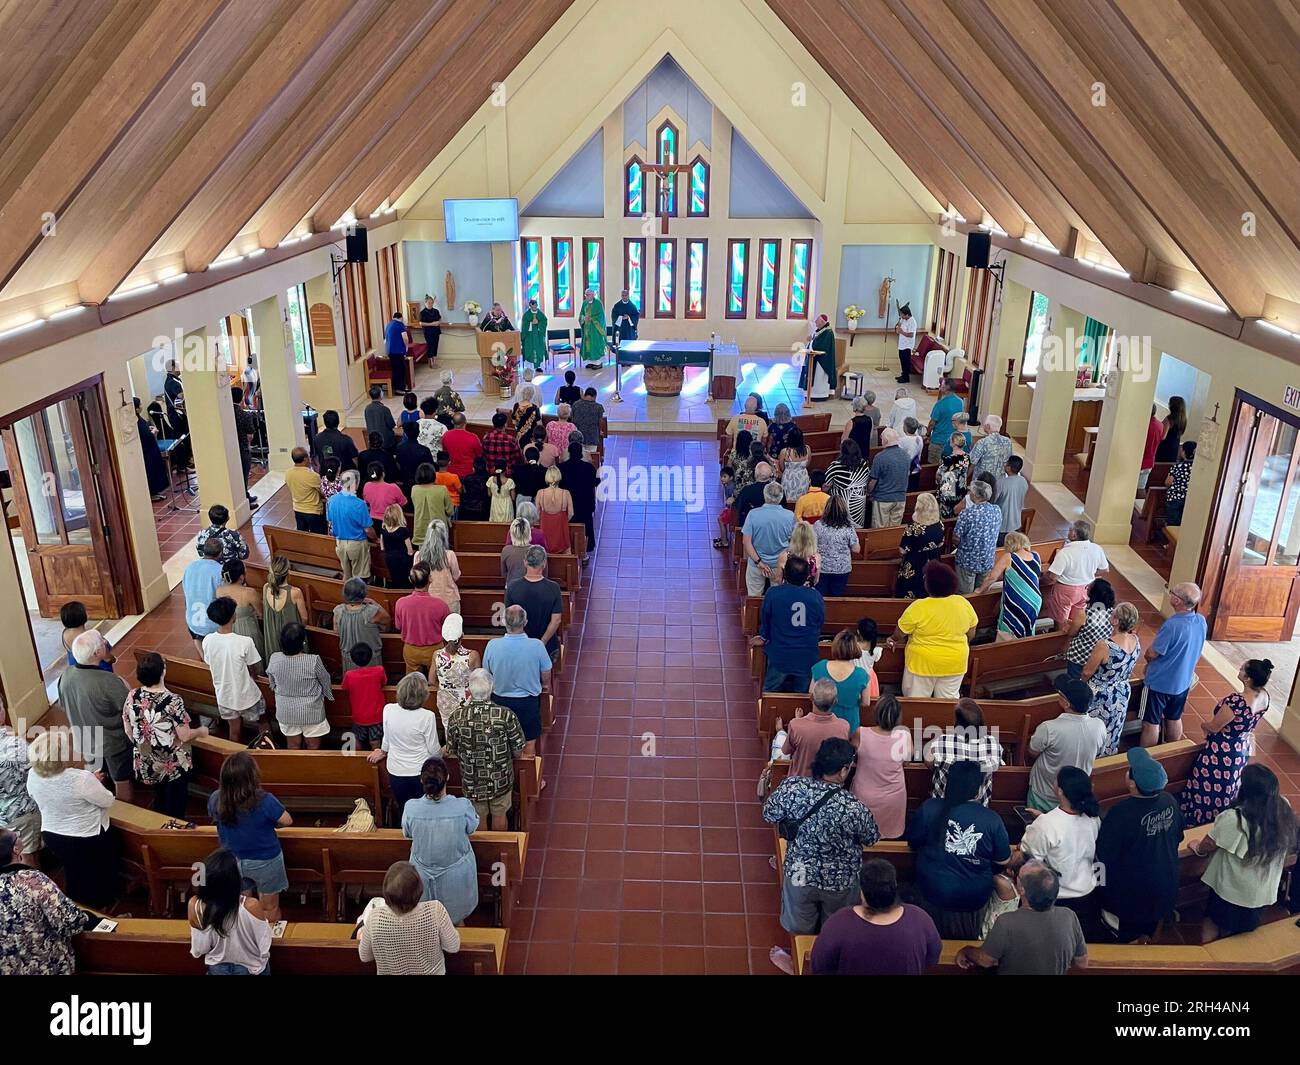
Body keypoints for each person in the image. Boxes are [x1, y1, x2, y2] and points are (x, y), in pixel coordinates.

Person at [762, 738, 879, 944]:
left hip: (800, 871)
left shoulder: (793, 788)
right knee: (835, 927)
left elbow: (769, 813)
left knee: (800, 922)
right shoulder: (853, 807)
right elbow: (870, 838)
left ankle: (801, 957)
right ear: (843, 770)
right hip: (840, 878)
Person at [1190, 764, 1296, 939]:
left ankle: (1210, 960)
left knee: (1213, 920)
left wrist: (1197, 848)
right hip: (1261, 890)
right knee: (1239, 933)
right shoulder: (1283, 809)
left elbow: (1209, 844)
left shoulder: (1235, 819)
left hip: (1232, 890)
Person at [907, 759, 1011, 937]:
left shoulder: (929, 807)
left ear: (948, 783)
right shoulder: (991, 819)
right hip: (972, 896)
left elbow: (913, 842)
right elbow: (1003, 860)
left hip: (931, 888)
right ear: (978, 790)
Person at [1095, 747, 1184, 942]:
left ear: (1132, 783)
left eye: (1130, 770)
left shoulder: (1121, 814)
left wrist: (1100, 885)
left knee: (1127, 936)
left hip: (1131, 894)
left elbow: (1104, 855)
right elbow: (1178, 836)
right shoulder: (1169, 801)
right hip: (1166, 882)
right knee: (1152, 926)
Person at [25, 729, 119, 907]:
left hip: (53, 834)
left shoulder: (33, 775)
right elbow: (107, 800)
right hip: (87, 835)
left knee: (74, 870)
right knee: (98, 872)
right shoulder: (81, 779)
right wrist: (93, 782)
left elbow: (37, 794)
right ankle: (102, 905)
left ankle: (76, 902)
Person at [1181, 659, 1274, 826]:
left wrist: (1204, 725)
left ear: (1248, 679)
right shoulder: (1265, 696)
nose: (1239, 668)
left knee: (1207, 782)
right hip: (1242, 746)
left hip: (1223, 750)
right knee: (1229, 784)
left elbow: (1215, 727)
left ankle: (1200, 816)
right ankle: (1222, 816)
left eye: (1243, 668)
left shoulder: (1236, 702)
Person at [810, 858, 941, 976]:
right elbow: (932, 959)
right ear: (895, 886)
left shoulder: (839, 922)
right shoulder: (920, 919)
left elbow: (819, 966)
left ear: (862, 891)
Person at [955, 861, 1088, 974]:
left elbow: (985, 960)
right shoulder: (1069, 917)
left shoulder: (1007, 922)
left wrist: (967, 950)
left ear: (1022, 890)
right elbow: (1082, 962)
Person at [208, 752, 290, 923]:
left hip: (233, 861)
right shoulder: (264, 800)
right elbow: (287, 820)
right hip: (266, 860)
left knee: (242, 906)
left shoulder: (216, 798)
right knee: (270, 908)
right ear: (252, 776)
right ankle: (267, 942)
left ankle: (247, 939)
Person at [124, 652, 207, 817]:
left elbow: (127, 727)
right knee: (176, 800)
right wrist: (201, 731)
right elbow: (184, 736)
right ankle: (173, 829)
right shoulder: (173, 700)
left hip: (147, 757)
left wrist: (142, 744)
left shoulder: (133, 694)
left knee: (159, 793)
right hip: (172, 762)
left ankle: (160, 818)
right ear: (163, 672)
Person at [444, 668, 527, 831]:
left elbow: (451, 748)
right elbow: (518, 749)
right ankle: (499, 847)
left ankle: (485, 849)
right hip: (500, 777)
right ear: (491, 688)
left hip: (472, 778)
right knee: (500, 813)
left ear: (469, 690)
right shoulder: (505, 715)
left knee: (478, 815)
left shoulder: (457, 716)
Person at [0, 827, 88, 974]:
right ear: (16, 849)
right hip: (46, 965)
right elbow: (71, 922)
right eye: (17, 836)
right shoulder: (32, 881)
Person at [401, 757, 479, 923]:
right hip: (456, 875)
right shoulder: (462, 806)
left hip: (422, 874)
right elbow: (472, 827)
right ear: (448, 777)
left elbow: (407, 833)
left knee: (426, 921)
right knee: (457, 920)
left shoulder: (411, 807)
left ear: (422, 779)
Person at [1021, 766, 1101, 925]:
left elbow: (1029, 855)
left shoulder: (1047, 824)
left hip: (1059, 896)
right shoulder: (1093, 818)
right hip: (1087, 893)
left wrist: (1037, 825)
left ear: (1060, 791)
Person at [58, 632, 133, 802]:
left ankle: (100, 803)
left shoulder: (66, 676)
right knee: (121, 780)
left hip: (84, 739)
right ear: (96, 653)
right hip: (112, 743)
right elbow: (129, 710)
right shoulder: (108, 681)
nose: (105, 644)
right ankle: (127, 817)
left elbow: (64, 705)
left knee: (96, 776)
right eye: (102, 643)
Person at [888, 562, 978, 699]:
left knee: (916, 702)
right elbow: (971, 633)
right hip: (955, 662)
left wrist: (893, 639)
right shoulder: (963, 603)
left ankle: (916, 721)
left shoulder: (918, 607)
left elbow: (900, 632)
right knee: (948, 703)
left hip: (922, 663)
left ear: (928, 584)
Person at [357, 860, 462, 975]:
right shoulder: (435, 910)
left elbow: (364, 956)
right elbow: (453, 946)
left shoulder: (375, 918)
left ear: (386, 892)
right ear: (420, 889)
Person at [1026, 676, 1108, 812]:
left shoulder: (1049, 728)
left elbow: (1032, 751)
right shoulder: (1099, 726)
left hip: (1045, 792)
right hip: (1076, 794)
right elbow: (1099, 753)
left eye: (1060, 695)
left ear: (1066, 703)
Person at [188, 847, 273, 975]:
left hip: (217, 968)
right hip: (251, 969)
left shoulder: (195, 905)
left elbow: (199, 948)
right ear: (235, 880)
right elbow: (264, 945)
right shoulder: (251, 905)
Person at [1142, 581, 1206, 747]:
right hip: (1183, 682)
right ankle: (1173, 749)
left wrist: (1148, 661)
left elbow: (1152, 653)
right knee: (1174, 717)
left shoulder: (1172, 625)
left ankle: (1147, 756)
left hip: (1160, 683)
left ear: (1177, 601)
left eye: (1172, 592)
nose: (1170, 594)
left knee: (1151, 722)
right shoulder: (1200, 621)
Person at [483, 606, 551, 762]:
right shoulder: (537, 646)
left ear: (504, 621)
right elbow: (546, 672)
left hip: (500, 702)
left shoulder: (492, 645)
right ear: (525, 622)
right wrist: (545, 686)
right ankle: (530, 781)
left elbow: (486, 674)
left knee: (503, 742)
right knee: (529, 745)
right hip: (528, 702)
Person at [369, 673, 442, 818]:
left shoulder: (388, 709)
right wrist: (443, 752)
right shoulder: (427, 716)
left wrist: (383, 751)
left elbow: (387, 739)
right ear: (423, 695)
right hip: (420, 772)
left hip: (396, 771)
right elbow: (434, 751)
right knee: (424, 810)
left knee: (405, 809)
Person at [750, 557, 825, 692]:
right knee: (802, 695)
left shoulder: (773, 593)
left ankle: (768, 710)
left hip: (780, 653)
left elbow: (765, 621)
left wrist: (763, 637)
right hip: (806, 654)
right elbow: (819, 622)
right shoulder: (816, 597)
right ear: (806, 576)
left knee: (770, 691)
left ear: (785, 574)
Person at [1081, 601, 1141, 756]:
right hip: (1121, 692)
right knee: (1112, 728)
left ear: (1115, 621)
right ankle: (1106, 758)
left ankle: (1089, 757)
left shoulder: (1105, 645)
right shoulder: (1135, 640)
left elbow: (1087, 672)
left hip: (1101, 694)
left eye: (1113, 613)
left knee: (1093, 729)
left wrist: (1080, 685)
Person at [202, 597, 265, 743]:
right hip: (248, 696)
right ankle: (268, 747)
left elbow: (209, 662)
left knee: (234, 732)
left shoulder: (208, 641)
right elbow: (253, 669)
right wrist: (254, 677)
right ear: (233, 617)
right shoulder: (245, 642)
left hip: (225, 696)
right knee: (263, 721)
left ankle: (235, 757)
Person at [851, 693, 912, 839]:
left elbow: (852, 753)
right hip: (893, 799)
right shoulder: (905, 736)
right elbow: (907, 761)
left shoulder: (861, 733)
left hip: (864, 796)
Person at [924, 698, 1004, 806]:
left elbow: (928, 762)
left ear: (957, 722)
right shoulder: (993, 744)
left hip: (943, 807)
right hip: (977, 808)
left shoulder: (942, 741)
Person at [265, 623, 332, 750]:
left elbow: (272, 684)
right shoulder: (313, 660)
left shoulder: (274, 658)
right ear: (303, 642)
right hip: (311, 711)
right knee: (313, 747)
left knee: (293, 746)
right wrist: (328, 696)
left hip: (286, 711)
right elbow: (325, 680)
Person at [1042, 519, 1109, 629]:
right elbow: (1105, 569)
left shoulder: (1065, 552)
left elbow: (1053, 576)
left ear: (1074, 534)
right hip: (1087, 588)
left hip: (1066, 590)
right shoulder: (1097, 548)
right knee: (1076, 620)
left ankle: (1058, 641)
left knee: (1061, 620)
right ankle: (1071, 641)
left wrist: (1043, 580)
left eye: (1070, 530)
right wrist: (1090, 573)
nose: (1068, 532)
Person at [778, 679, 850, 778]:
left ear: (811, 697)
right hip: (828, 785)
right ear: (835, 701)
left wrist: (797, 723)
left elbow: (786, 751)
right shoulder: (844, 727)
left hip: (800, 782)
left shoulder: (796, 725)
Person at [978, 531, 1042, 640]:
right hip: (1035, 600)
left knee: (1008, 630)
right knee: (1027, 628)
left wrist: (979, 590)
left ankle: (1005, 651)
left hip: (1017, 600)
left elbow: (992, 577)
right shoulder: (1036, 555)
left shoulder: (1009, 557)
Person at [505, 546, 563, 659]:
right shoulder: (554, 588)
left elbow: (509, 618)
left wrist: (525, 643)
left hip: (520, 645)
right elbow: (556, 620)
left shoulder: (512, 587)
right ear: (544, 563)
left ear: (525, 562)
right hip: (547, 647)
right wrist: (542, 642)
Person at [0, 704, 40, 867]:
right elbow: (38, 769)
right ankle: (36, 888)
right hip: (23, 811)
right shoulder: (14, 745)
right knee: (27, 856)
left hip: (3, 815)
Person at [395, 563, 451, 675]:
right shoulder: (441, 605)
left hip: (411, 649)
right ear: (430, 579)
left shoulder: (401, 603)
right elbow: (446, 629)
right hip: (434, 649)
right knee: (436, 680)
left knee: (413, 682)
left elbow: (398, 626)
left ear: (411, 580)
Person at [810, 631, 871, 734]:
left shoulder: (820, 667)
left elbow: (811, 694)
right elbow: (866, 702)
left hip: (823, 720)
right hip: (849, 723)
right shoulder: (861, 674)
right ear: (854, 648)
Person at [952, 479, 1000, 592]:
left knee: (965, 594)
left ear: (975, 495)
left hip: (967, 561)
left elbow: (956, 538)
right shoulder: (997, 510)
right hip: (987, 559)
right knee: (981, 592)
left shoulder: (967, 514)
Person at [332, 576, 388, 674]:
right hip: (371, 662)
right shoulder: (372, 611)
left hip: (349, 662)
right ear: (364, 593)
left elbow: (336, 631)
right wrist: (376, 603)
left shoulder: (338, 611)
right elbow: (387, 623)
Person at [328, 469, 376, 582]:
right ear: (357, 483)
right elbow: (368, 529)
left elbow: (330, 521)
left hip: (340, 543)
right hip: (356, 544)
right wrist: (376, 539)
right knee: (360, 578)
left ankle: (347, 597)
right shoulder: (359, 504)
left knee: (347, 576)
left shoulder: (332, 500)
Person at [895, 492, 944, 598]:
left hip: (915, 563)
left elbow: (903, 550)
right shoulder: (940, 525)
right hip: (933, 562)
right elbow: (941, 543)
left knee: (911, 588)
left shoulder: (913, 527)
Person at [1064, 578, 1115, 678]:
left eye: (1088, 588)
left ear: (1093, 594)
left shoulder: (1084, 614)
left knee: (1074, 683)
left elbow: (1072, 633)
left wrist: (1071, 625)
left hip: (1080, 656)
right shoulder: (1112, 613)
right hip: (1099, 657)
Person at [342, 642, 386, 751]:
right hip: (376, 715)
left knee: (356, 738)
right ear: (371, 656)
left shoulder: (349, 675)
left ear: (352, 658)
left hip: (359, 715)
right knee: (375, 741)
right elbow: (384, 682)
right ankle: (376, 762)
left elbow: (344, 687)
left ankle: (359, 762)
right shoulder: (379, 670)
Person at [183, 539, 226, 655]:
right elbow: (223, 597)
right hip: (212, 624)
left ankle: (204, 659)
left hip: (192, 621)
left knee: (198, 638)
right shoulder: (220, 570)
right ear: (220, 553)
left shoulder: (190, 567)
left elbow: (186, 592)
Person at [813, 496, 860, 596]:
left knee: (820, 597)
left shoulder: (818, 525)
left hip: (822, 568)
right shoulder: (848, 527)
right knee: (836, 598)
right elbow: (856, 549)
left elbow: (812, 545)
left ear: (827, 509)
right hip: (842, 569)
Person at [559, 440, 598, 560]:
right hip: (584, 504)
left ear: (569, 453)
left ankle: (568, 547)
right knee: (585, 526)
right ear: (581, 453)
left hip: (567, 505)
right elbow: (594, 483)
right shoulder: (589, 468)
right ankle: (585, 551)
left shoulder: (561, 468)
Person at [434, 614, 479, 718]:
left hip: (445, 702)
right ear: (462, 636)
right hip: (466, 701)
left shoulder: (436, 655)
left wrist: (445, 689)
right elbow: (478, 682)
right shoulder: (473, 655)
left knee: (448, 729)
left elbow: (431, 680)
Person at [823, 439, 870, 528]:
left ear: (842, 452)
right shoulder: (864, 464)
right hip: (859, 506)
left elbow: (826, 486)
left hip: (840, 506)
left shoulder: (835, 466)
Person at [868, 428, 910, 527]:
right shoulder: (906, 455)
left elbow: (873, 480)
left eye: (881, 438)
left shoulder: (880, 457)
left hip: (883, 499)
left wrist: (869, 492)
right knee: (893, 531)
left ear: (885, 440)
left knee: (879, 531)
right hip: (900, 498)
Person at [133, 396, 170, 499]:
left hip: (152, 448)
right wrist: (153, 432)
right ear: (136, 408)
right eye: (140, 405)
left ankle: (158, 490)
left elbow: (144, 427)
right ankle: (153, 493)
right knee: (151, 471)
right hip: (147, 451)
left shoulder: (139, 418)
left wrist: (149, 428)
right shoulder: (134, 421)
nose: (141, 406)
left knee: (157, 467)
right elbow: (145, 436)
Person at [229, 385, 259, 510]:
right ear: (241, 398)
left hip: (229, 448)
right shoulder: (244, 415)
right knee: (243, 474)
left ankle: (244, 495)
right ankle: (244, 500)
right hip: (242, 448)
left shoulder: (226, 414)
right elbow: (250, 435)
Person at [285, 447, 327, 533]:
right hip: (313, 511)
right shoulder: (311, 475)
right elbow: (323, 492)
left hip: (298, 510)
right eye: (308, 456)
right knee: (319, 537)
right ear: (305, 459)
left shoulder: (288, 473)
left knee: (303, 538)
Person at [411, 463, 453, 549]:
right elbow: (450, 510)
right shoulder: (442, 489)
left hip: (421, 530)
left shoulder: (414, 489)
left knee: (423, 559)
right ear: (433, 475)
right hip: (438, 529)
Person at [925, 378, 964, 465]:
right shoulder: (960, 402)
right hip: (952, 441)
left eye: (941, 386)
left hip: (938, 441)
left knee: (933, 466)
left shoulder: (940, 404)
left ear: (946, 389)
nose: (939, 387)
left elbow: (932, 423)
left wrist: (927, 434)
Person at [992, 455, 1028, 544]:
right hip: (1016, 523)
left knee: (999, 550)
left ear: (1009, 468)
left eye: (1006, 464)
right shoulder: (1023, 481)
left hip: (1002, 525)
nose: (1004, 465)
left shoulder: (1001, 482)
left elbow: (993, 501)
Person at [775, 519, 820, 588]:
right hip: (807, 593)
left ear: (794, 537)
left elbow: (778, 579)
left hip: (787, 591)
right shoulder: (816, 557)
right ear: (812, 538)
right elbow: (816, 581)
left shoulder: (784, 556)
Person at [395, 421, 435, 498]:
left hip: (405, 482)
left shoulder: (400, 448)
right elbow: (430, 467)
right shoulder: (424, 450)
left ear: (405, 434)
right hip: (421, 484)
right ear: (418, 433)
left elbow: (398, 464)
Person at [935, 433, 970, 518]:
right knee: (956, 516)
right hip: (960, 490)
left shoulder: (948, 460)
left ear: (953, 443)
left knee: (945, 516)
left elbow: (938, 476)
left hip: (948, 492)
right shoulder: (967, 457)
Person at [380, 504, 414, 589]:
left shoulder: (383, 529)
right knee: (404, 582)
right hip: (403, 560)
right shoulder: (403, 531)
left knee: (395, 580)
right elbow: (410, 551)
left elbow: (382, 547)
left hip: (389, 559)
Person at [969, 414, 1012, 480]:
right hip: (999, 481)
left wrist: (966, 477)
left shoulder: (983, 442)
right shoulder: (1008, 441)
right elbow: (1008, 460)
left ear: (988, 426)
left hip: (982, 482)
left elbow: (972, 462)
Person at [804, 314, 837, 400]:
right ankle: (811, 394)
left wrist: (812, 343)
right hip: (815, 359)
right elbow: (815, 340)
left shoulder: (828, 332)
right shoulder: (820, 330)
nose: (815, 322)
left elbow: (822, 345)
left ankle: (819, 395)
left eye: (817, 321)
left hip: (821, 361)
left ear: (822, 322)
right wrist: (811, 339)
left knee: (819, 379)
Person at [1163, 440, 1195, 527]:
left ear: (1183, 452)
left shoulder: (1178, 466)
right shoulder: (1196, 469)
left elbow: (1168, 482)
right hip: (1189, 499)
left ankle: (1171, 532)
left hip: (1175, 498)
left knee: (1173, 522)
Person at [734, 459, 773, 531]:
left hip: (749, 527)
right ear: (770, 475)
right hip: (771, 526)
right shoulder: (776, 490)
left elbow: (737, 507)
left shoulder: (747, 490)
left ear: (755, 474)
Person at [776, 426, 810, 504]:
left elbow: (782, 468)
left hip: (788, 479)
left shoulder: (785, 452)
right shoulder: (807, 449)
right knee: (801, 502)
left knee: (787, 501)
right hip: (803, 478)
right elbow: (807, 464)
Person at [442, 413, 483, 478]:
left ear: (452, 422)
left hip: (451, 472)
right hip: (469, 472)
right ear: (465, 422)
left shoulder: (445, 436)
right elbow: (479, 455)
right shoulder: (473, 437)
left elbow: (445, 453)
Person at [483, 411, 523, 476]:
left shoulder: (486, 438)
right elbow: (518, 459)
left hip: (491, 474)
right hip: (508, 474)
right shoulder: (511, 440)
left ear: (493, 425)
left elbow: (484, 456)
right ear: (505, 425)